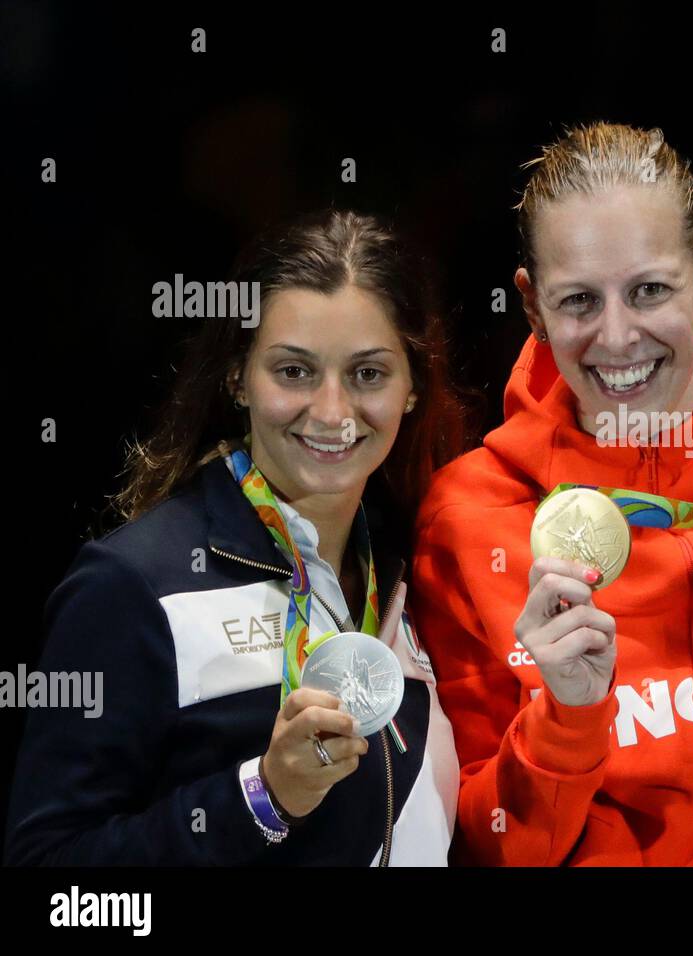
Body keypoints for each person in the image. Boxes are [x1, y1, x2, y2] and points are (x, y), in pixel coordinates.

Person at [412, 122, 693, 865]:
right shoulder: (469, 519)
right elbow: (486, 844)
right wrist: (566, 720)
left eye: (648, 290)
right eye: (578, 301)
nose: (616, 338)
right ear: (533, 307)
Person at [6, 210, 464, 865]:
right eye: (294, 372)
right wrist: (263, 797)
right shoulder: (136, 586)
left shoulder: (419, 565)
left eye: (368, 374)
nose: (333, 412)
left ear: (413, 388)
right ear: (236, 376)